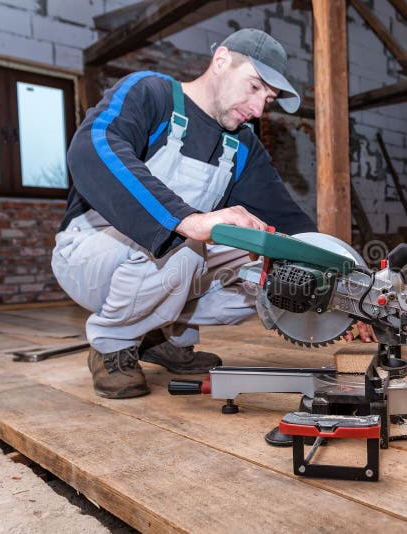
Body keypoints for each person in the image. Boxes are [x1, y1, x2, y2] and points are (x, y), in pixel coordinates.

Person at [52, 28, 372, 400]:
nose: (257, 109)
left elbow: (293, 228)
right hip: (88, 254)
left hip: (162, 262)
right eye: (254, 87)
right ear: (221, 60)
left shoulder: (241, 145)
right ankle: (112, 346)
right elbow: (92, 148)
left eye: (266, 99)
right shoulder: (150, 92)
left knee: (274, 273)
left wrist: (351, 291)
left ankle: (168, 338)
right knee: (185, 246)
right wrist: (188, 221)